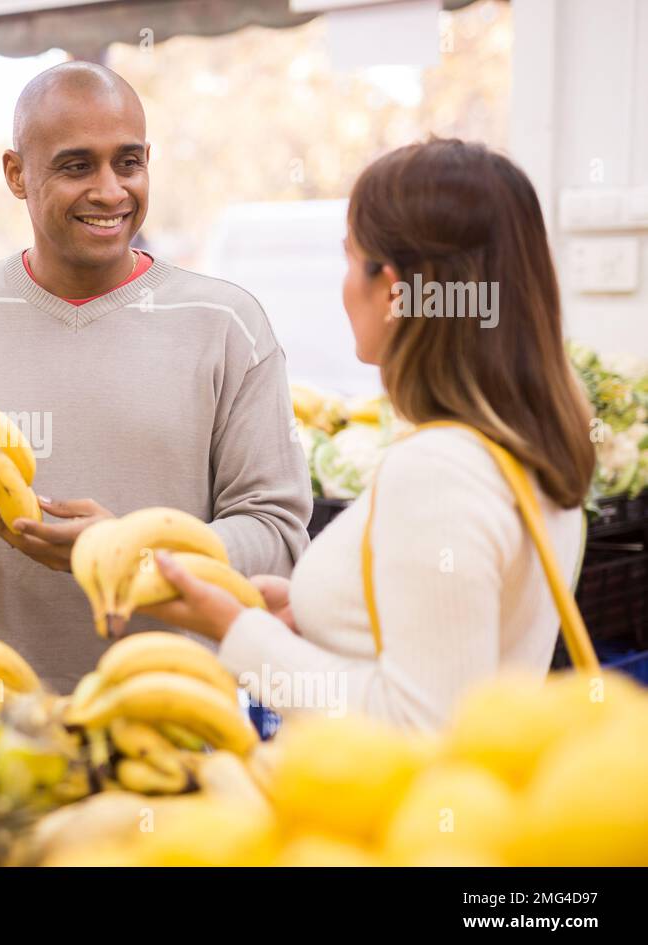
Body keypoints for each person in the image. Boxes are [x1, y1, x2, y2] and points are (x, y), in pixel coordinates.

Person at [0, 63, 312, 691]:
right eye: (76, 166)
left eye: (129, 163)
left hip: (167, 718)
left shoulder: (226, 324)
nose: (111, 191)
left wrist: (134, 552)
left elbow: (278, 536)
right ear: (16, 174)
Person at [145, 139, 594, 730]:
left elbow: (416, 727)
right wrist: (320, 622)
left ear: (393, 286)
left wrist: (234, 630)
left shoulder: (440, 470)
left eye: (351, 258)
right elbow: (456, 660)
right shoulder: (532, 452)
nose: (344, 285)